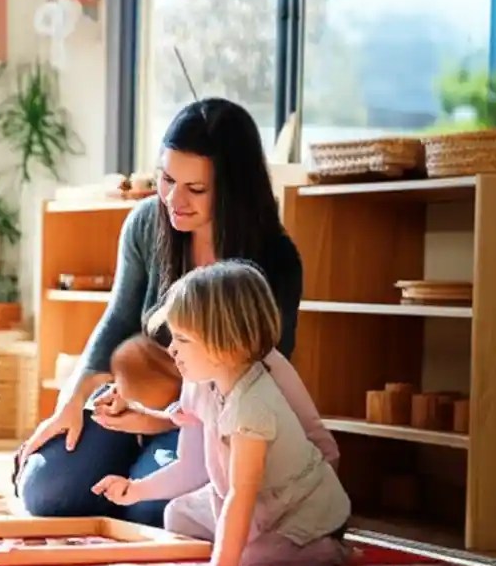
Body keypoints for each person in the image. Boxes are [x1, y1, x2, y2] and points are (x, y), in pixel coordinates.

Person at [17, 97, 339, 526]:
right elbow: (117, 321)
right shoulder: (147, 223)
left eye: (197, 189)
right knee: (45, 490)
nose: (174, 200)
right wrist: (72, 402)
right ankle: (116, 474)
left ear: (233, 189)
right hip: (129, 400)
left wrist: (155, 421)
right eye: (167, 179)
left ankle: (126, 479)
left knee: (154, 509)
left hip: (206, 424)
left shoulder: (274, 258)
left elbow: (261, 382)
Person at [92, 261, 351, 566]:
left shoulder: (253, 407)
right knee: (177, 514)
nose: (171, 349)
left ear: (225, 344)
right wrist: (135, 486)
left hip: (297, 509)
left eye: (183, 339)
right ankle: (249, 547)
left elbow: (242, 492)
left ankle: (328, 550)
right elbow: (184, 427)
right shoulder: (204, 381)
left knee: (241, 555)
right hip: (257, 502)